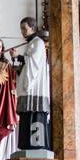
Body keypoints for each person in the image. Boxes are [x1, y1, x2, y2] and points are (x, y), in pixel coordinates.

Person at [12, 17, 50, 152]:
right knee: (27, 117)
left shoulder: (37, 43)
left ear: (32, 28)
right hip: (30, 89)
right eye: (21, 29)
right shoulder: (31, 43)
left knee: (34, 115)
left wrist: (20, 57)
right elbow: (27, 66)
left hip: (35, 90)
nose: (22, 32)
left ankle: (35, 145)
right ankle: (26, 144)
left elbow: (33, 64)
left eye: (24, 29)